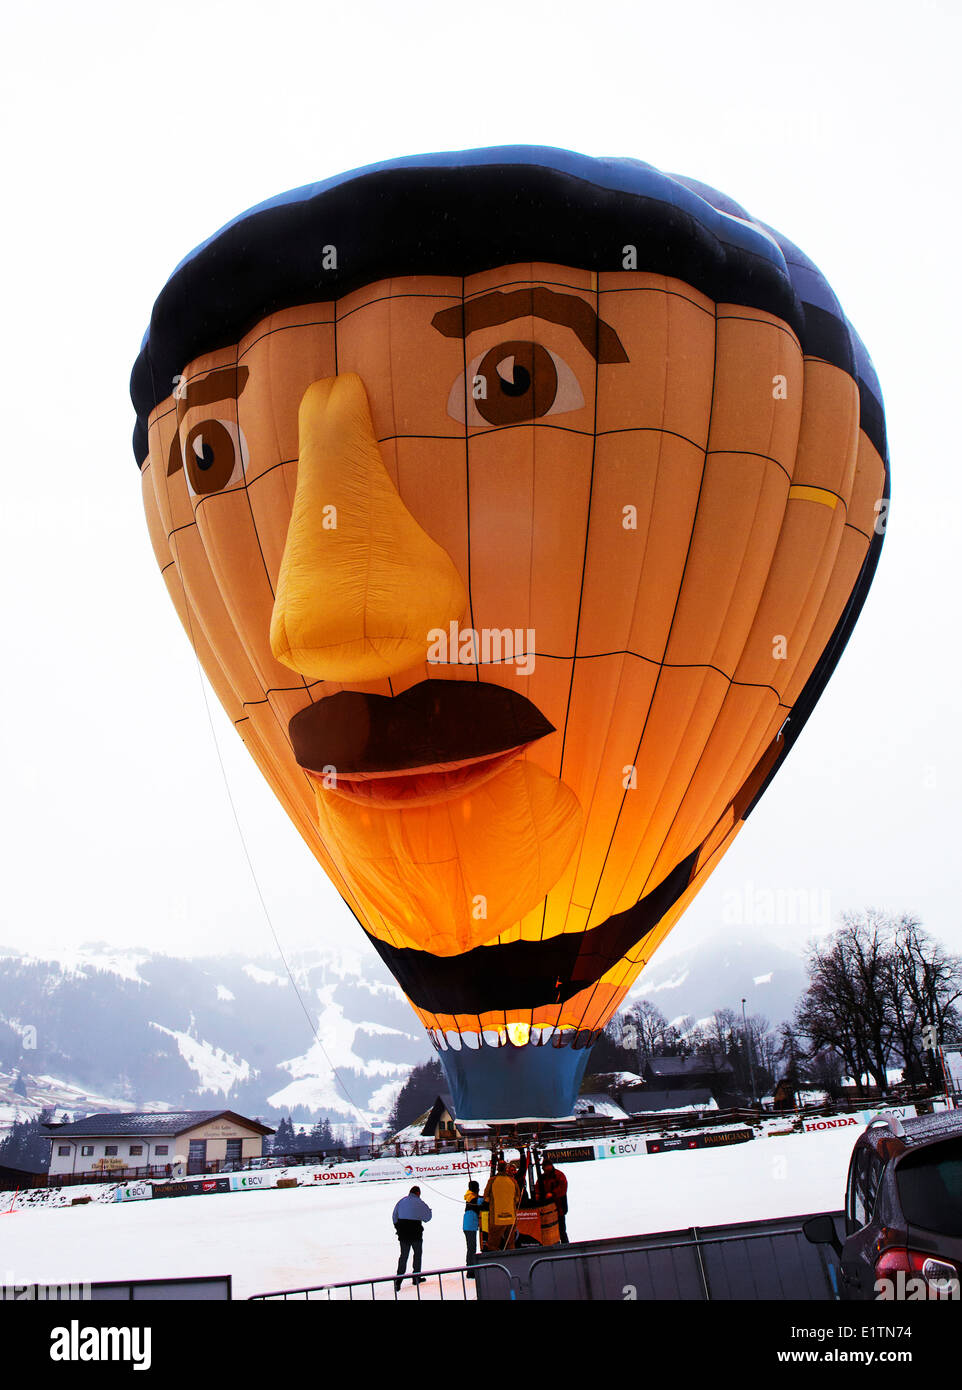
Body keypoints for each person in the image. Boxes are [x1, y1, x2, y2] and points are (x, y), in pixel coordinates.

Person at [392, 1185, 432, 1290]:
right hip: (416, 1233)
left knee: (404, 1256)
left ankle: (398, 1279)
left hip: (403, 1234)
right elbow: (428, 1218)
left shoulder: (401, 1201)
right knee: (417, 1254)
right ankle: (416, 1277)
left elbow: (394, 1216)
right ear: (418, 1193)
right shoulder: (420, 1203)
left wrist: (398, 1227)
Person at [483, 1162, 520, 1251]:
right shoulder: (513, 1181)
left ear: (497, 1168)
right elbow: (517, 1198)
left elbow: (486, 1198)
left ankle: (495, 1262)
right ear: (506, 1169)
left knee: (493, 1244)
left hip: (497, 1218)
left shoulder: (492, 1180)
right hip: (511, 1218)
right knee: (510, 1244)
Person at [535, 1157, 569, 1244]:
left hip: (559, 1207)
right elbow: (537, 1187)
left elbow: (563, 1188)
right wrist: (537, 1194)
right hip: (547, 1209)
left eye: (547, 1166)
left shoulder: (559, 1175)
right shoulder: (542, 1177)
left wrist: (552, 1194)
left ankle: (565, 1245)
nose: (546, 1169)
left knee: (561, 1230)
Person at [462, 1180, 484, 1277]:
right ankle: (470, 1270)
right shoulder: (474, 1200)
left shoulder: (470, 1197)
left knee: (471, 1248)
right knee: (471, 1248)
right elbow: (484, 1201)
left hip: (468, 1225)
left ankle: (470, 1268)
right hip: (470, 1226)